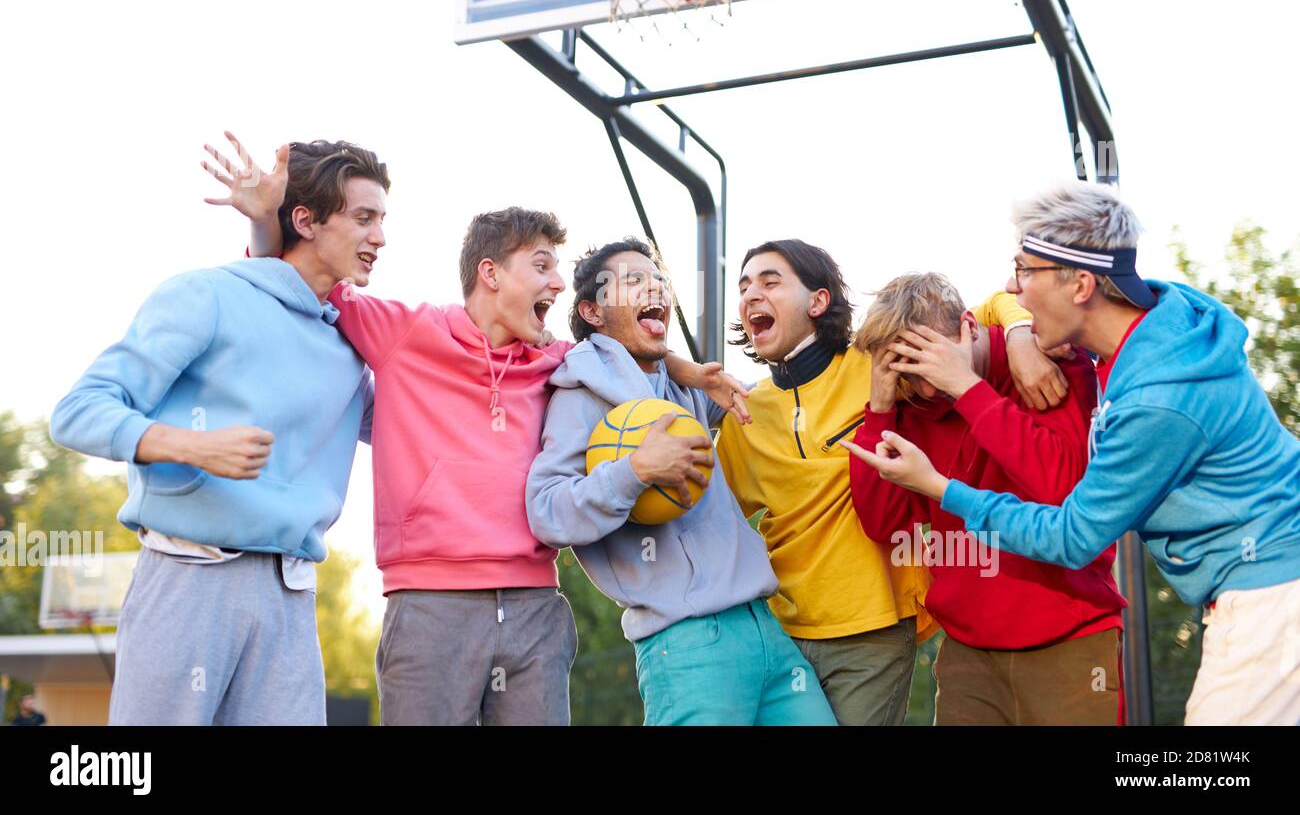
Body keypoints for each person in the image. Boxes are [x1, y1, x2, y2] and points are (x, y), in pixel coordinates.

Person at [238, 191, 749, 726]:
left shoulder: (560, 362)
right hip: (430, 605)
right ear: (491, 273)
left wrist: (685, 368)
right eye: (541, 265)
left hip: (535, 607)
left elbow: (620, 345)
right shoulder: (405, 332)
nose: (557, 282)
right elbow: (300, 275)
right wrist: (263, 216)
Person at [856, 182, 1300, 725]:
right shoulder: (1148, 333)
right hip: (1254, 590)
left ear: (1083, 284)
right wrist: (1018, 335)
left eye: (1025, 273)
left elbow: (1071, 536)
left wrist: (941, 483)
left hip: (1273, 588)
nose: (1013, 293)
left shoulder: (1155, 397)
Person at [50, 134, 384, 724]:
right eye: (364, 218)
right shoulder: (205, 296)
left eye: (382, 220)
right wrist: (193, 446)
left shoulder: (349, 347)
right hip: (187, 581)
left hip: (290, 599)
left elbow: (409, 428)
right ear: (305, 220)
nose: (379, 238)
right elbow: (79, 411)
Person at [714, 239, 1067, 725]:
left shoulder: (874, 358)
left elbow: (983, 306)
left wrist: (1022, 335)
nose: (752, 293)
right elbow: (713, 521)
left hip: (875, 624)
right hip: (783, 634)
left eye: (771, 282)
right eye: (744, 285)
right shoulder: (742, 416)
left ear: (818, 301)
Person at [526, 238, 837, 725]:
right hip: (689, 643)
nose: (654, 288)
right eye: (632, 281)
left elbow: (761, 398)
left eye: (658, 281)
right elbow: (546, 511)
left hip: (764, 628)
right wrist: (635, 472)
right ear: (593, 311)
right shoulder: (579, 396)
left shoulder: (679, 386)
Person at [842, 272, 1126, 725]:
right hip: (969, 652)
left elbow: (1064, 491)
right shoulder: (911, 399)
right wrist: (879, 410)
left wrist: (968, 390)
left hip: (1070, 638)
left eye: (933, 363)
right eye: (909, 371)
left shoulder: (1048, 360)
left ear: (969, 328)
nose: (927, 389)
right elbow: (884, 525)